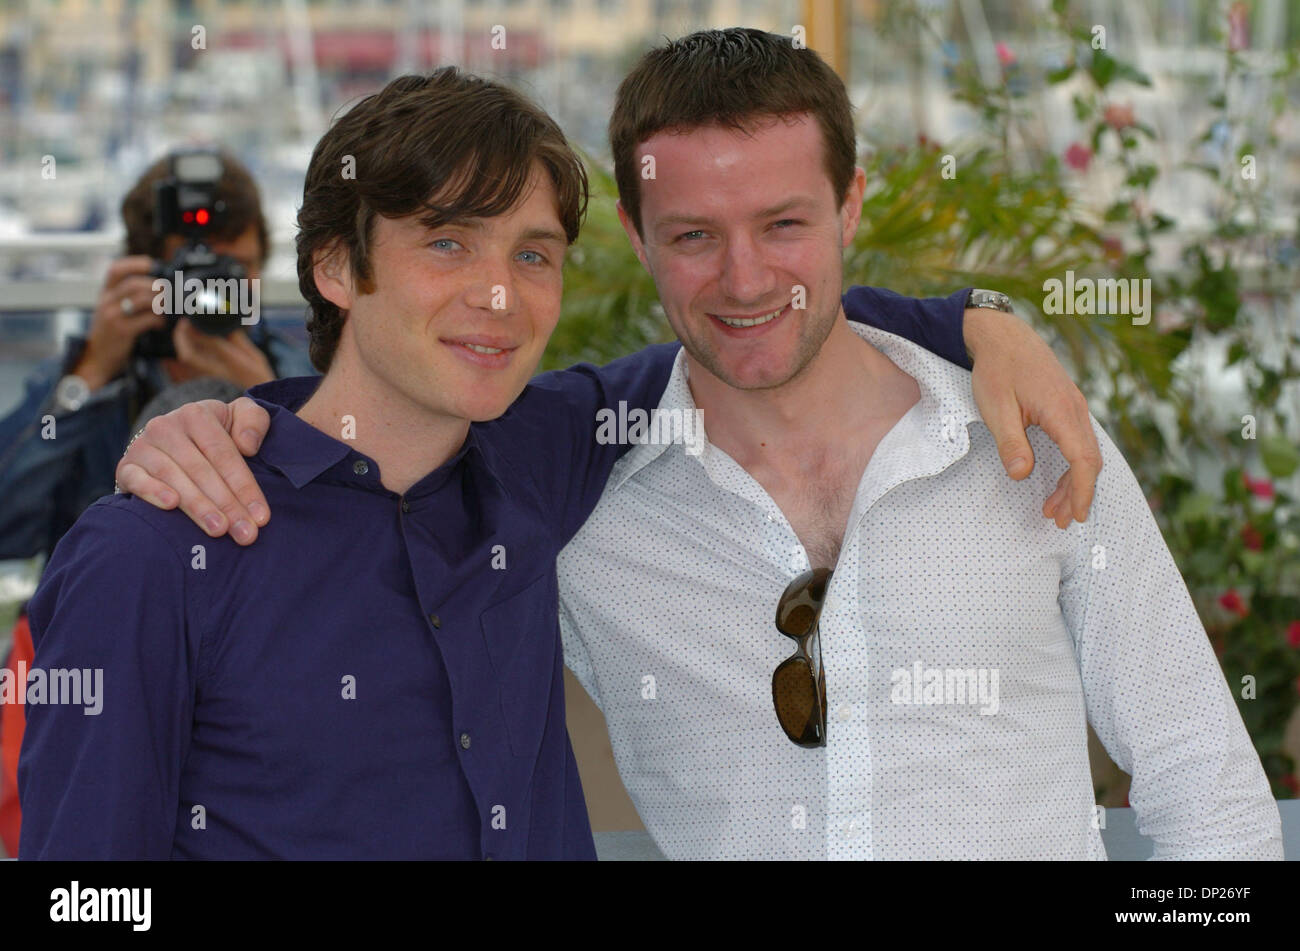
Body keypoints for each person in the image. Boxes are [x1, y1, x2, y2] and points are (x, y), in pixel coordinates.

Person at [97, 60, 1105, 859]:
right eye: (447, 243)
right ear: (334, 267)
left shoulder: (550, 448)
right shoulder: (157, 551)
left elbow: (752, 324)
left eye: (532, 253)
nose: (500, 295)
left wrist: (978, 321)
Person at [0, 149, 312, 562]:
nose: (212, 290)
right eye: (193, 272)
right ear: (151, 274)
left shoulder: (299, 376)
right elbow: (7, 530)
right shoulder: (93, 379)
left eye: (231, 269)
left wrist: (272, 404)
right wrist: (90, 377)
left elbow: (334, 527)